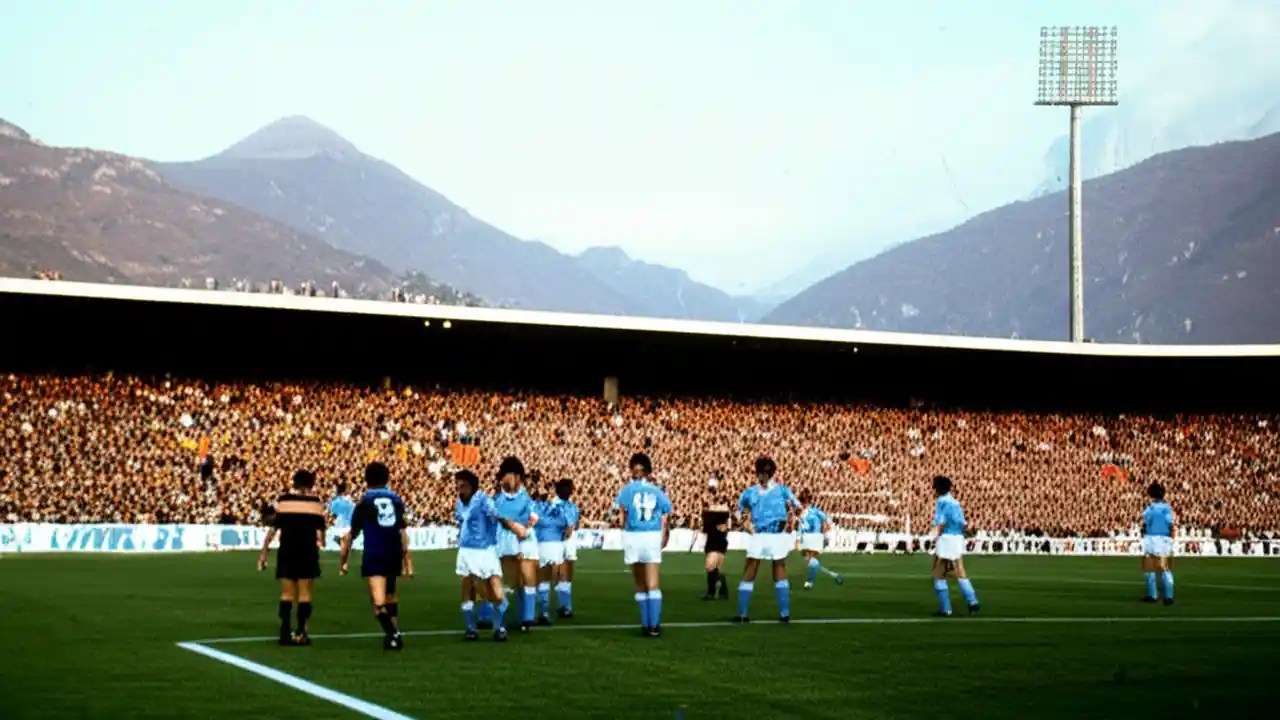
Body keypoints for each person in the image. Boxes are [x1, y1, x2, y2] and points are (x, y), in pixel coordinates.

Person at [340, 462, 414, 650]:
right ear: (387, 478)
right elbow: (402, 533)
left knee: (378, 601)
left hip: (374, 552)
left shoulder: (364, 503)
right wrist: (407, 561)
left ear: (366, 480)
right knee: (391, 594)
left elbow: (350, 536)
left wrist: (344, 561)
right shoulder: (397, 501)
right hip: (393, 551)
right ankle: (394, 633)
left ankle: (393, 634)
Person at [256, 470, 325, 646]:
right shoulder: (316, 503)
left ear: (294, 482)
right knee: (305, 593)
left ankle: (285, 632)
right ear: (311, 484)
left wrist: (263, 555)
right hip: (307, 551)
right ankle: (301, 633)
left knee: (286, 593)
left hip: (287, 550)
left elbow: (273, 530)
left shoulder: (283, 500)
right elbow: (320, 533)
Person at [733, 456, 801, 623]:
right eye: (761, 473)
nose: (761, 476)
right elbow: (738, 511)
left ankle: (783, 614)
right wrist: (743, 521)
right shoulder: (752, 492)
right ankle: (744, 614)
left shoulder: (779, 490)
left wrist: (793, 515)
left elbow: (797, 506)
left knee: (774, 569)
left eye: (764, 473)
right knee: (755, 569)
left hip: (775, 535)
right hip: (760, 534)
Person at [615, 452, 673, 637]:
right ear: (648, 472)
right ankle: (654, 626)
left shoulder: (626, 490)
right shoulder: (657, 490)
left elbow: (621, 518)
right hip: (651, 536)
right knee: (653, 583)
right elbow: (666, 513)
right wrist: (665, 536)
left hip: (633, 536)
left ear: (632, 471)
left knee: (640, 584)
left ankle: (646, 624)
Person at [454, 469, 515, 641]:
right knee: (467, 588)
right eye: (457, 486)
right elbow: (460, 517)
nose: (460, 490)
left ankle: (499, 627)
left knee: (496, 588)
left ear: (472, 486)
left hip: (486, 550)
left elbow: (496, 516)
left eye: (463, 486)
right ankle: (470, 629)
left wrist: (510, 525)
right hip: (467, 550)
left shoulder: (483, 500)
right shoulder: (460, 501)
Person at [494, 456, 540, 633]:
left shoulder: (527, 497)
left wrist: (525, 530)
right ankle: (503, 616)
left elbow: (533, 516)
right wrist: (513, 527)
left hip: (525, 538)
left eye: (509, 475)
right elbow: (498, 517)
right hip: (506, 538)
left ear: (518, 477)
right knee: (512, 579)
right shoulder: (498, 499)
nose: (505, 479)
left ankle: (527, 618)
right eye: (504, 475)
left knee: (528, 575)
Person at [929, 475, 979, 617]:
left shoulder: (941, 502)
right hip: (958, 539)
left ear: (938, 488)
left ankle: (946, 609)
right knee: (960, 571)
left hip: (946, 539)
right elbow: (963, 523)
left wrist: (934, 536)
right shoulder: (955, 502)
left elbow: (940, 521)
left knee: (939, 574)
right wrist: (968, 533)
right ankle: (973, 602)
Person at [533, 478, 571, 625]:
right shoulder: (560, 509)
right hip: (554, 545)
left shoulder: (536, 507)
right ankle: (543, 612)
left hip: (541, 544)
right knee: (547, 579)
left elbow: (531, 522)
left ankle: (540, 612)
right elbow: (567, 528)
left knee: (541, 579)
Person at [1140, 481, 1177, 606]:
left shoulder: (1150, 508)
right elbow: (1172, 525)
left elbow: (1145, 520)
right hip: (1165, 539)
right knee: (1165, 568)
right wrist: (1172, 540)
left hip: (1151, 538)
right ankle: (1168, 596)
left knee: (1149, 568)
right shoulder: (1167, 508)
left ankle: (1152, 595)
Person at [797, 491, 843, 589]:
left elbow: (828, 520)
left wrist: (825, 530)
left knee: (812, 561)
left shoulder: (813, 511)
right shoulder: (805, 513)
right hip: (808, 538)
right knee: (811, 562)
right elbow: (801, 527)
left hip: (814, 538)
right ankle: (834, 575)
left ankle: (810, 582)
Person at [553, 479, 580, 618]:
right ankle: (564, 606)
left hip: (565, 542)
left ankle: (564, 606)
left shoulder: (571, 506)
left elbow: (575, 524)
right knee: (561, 575)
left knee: (565, 575)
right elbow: (571, 526)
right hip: (558, 541)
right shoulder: (555, 505)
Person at [700, 480, 731, 600]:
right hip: (717, 539)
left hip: (716, 539)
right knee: (713, 568)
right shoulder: (717, 509)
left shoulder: (719, 509)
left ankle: (713, 592)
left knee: (710, 567)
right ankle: (720, 591)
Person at [326, 482, 356, 549]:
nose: (349, 490)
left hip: (343, 524)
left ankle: (339, 539)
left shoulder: (336, 501)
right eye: (347, 488)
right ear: (344, 490)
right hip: (346, 525)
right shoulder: (348, 500)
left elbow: (331, 513)